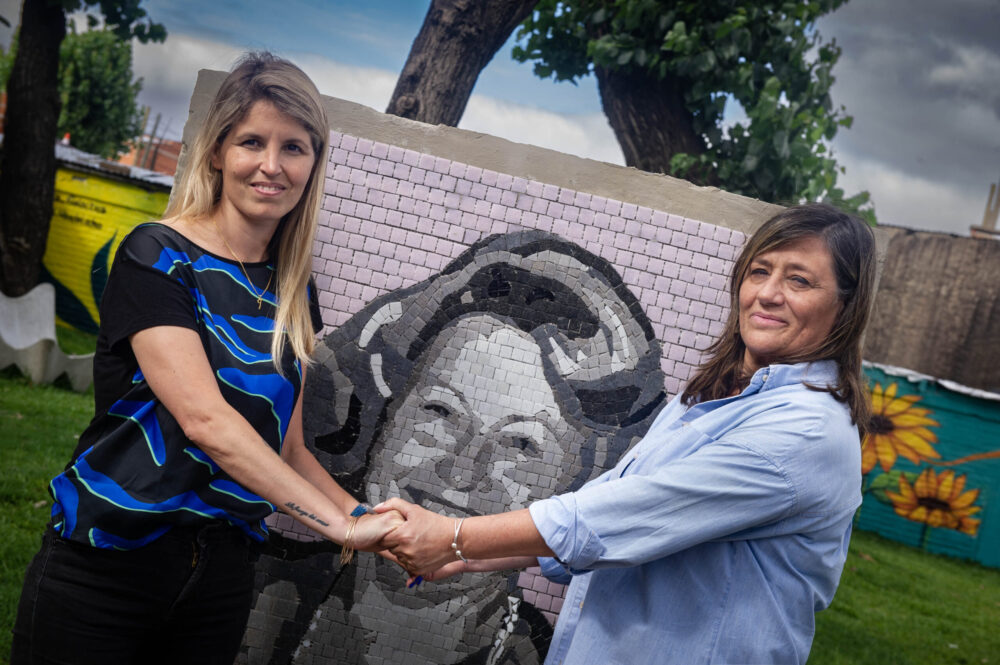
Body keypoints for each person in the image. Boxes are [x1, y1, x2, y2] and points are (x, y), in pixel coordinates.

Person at [11, 52, 402, 665]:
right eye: (252, 142)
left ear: (313, 164)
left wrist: (369, 517)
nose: (272, 166)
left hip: (220, 578)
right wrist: (341, 530)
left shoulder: (293, 293)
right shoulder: (158, 255)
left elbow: (288, 449)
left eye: (294, 147)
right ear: (218, 152)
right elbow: (207, 422)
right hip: (108, 566)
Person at [377, 203, 877, 665]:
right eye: (760, 272)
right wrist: (466, 556)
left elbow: (630, 513)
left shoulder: (806, 432)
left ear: (846, 306)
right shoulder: (715, 395)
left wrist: (455, 536)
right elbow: (615, 499)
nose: (768, 293)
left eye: (800, 281)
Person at [250, 231, 668, 664]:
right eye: (442, 412)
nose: (463, 471)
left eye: (521, 445)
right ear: (385, 411)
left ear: (577, 483)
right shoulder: (250, 589)